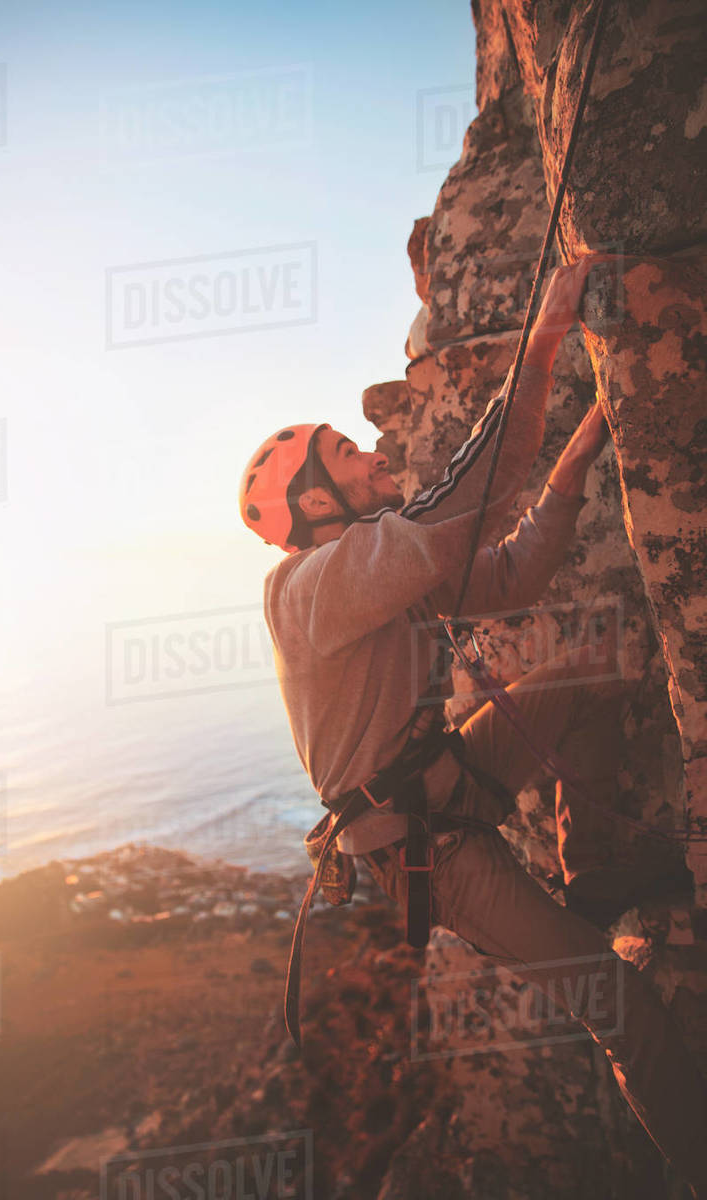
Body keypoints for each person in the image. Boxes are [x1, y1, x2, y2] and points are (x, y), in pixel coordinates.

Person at [239, 253, 707, 1196]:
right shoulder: (307, 591)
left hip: (448, 780)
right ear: (318, 504)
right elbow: (463, 503)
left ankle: (600, 870)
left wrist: (586, 442)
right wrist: (541, 343)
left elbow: (512, 574)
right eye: (347, 453)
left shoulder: (376, 562)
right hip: (429, 854)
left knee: (592, 670)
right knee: (617, 1003)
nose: (373, 452)